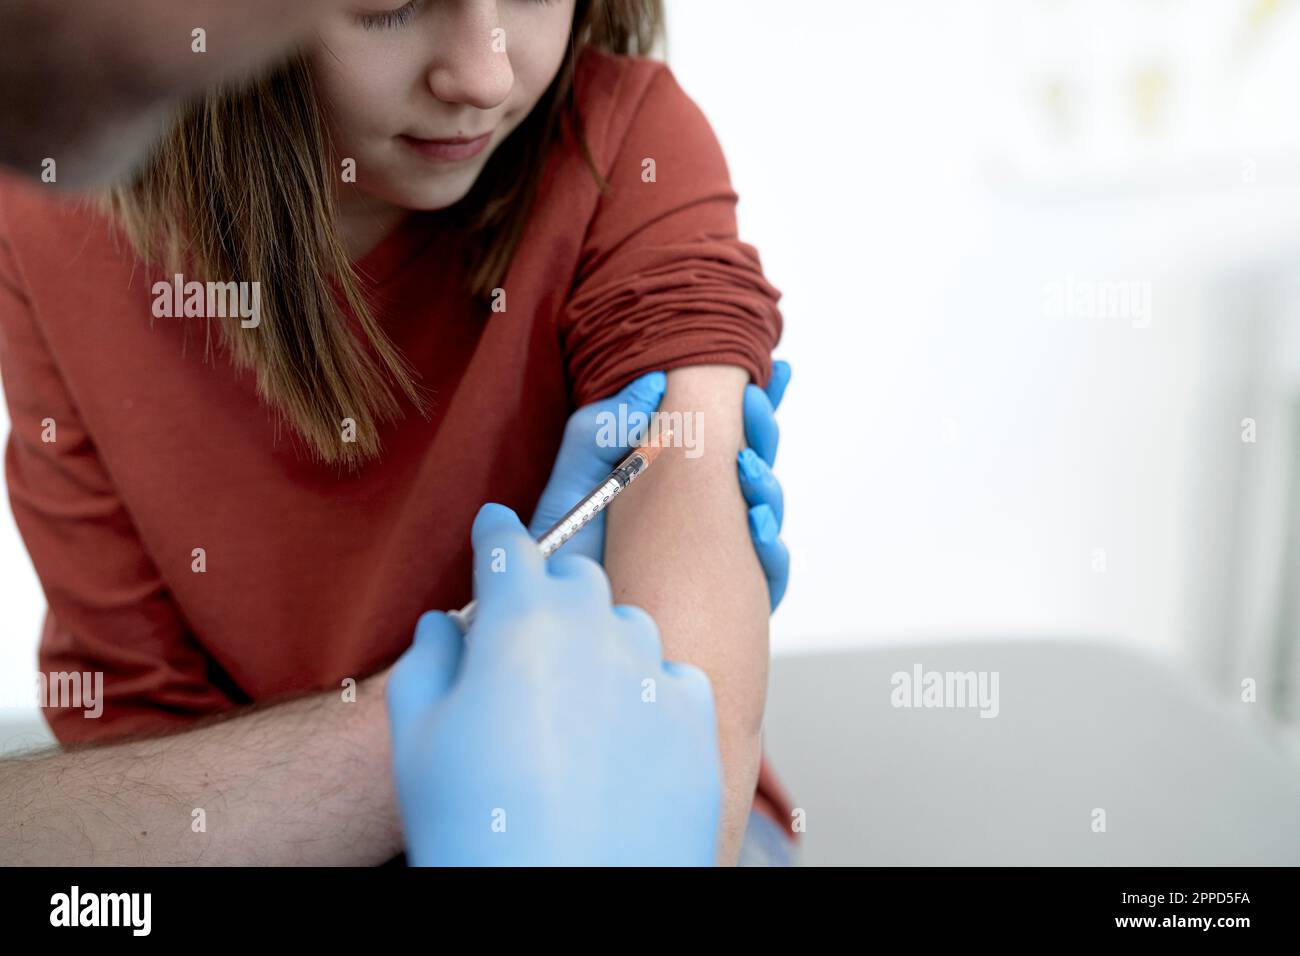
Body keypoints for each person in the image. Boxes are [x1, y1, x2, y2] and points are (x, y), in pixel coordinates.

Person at [0, 0, 793, 864]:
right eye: (391, 4)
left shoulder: (624, 147)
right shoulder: (49, 208)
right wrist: (437, 724)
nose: (482, 76)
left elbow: (684, 785)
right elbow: (143, 770)